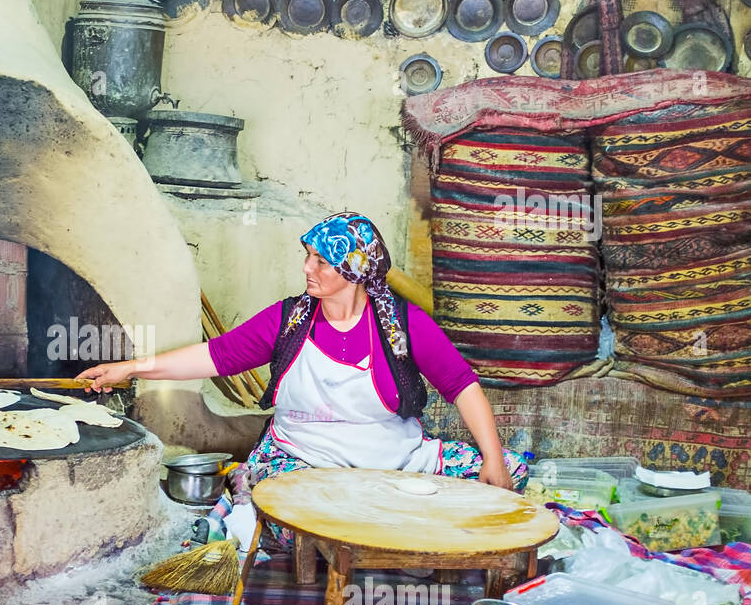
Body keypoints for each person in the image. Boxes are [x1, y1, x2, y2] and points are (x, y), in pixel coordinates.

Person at [76, 212, 529, 548]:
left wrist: (492, 458)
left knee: (507, 476)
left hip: (395, 463)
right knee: (297, 524)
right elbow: (215, 356)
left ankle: (384, 529)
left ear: (353, 271)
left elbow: (462, 386)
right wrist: (131, 368)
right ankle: (382, 533)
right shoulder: (290, 320)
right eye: (308, 257)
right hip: (303, 461)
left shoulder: (402, 326)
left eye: (321, 261)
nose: (307, 269)